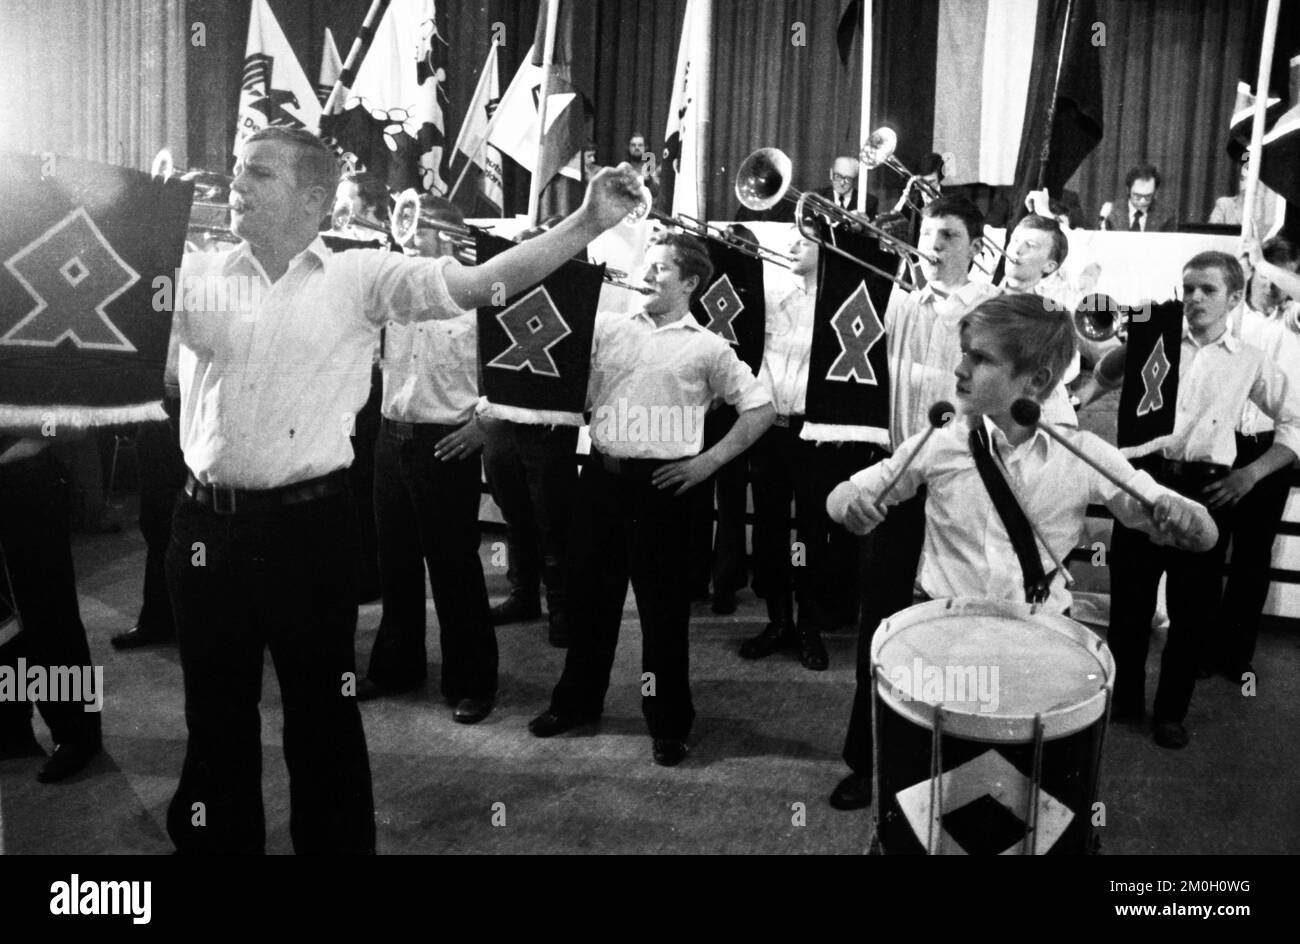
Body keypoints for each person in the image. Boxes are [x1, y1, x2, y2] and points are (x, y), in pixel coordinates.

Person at [163, 126, 640, 853]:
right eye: (236, 170)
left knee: (323, 716)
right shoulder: (194, 274)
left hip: (308, 531)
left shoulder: (361, 278)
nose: (236, 185)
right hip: (203, 532)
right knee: (215, 715)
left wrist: (589, 221)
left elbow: (486, 286)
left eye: (257, 173)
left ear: (313, 197)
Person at [826, 293, 1217, 801]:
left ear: (1035, 380)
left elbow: (1202, 534)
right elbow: (849, 491)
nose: (959, 367)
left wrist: (1188, 518)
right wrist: (850, 504)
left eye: (980, 358)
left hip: (1037, 647)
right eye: (965, 352)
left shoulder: (1082, 454)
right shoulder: (942, 441)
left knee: (1015, 796)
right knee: (932, 790)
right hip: (943, 638)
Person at [528, 232, 775, 766]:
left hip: (666, 491)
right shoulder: (607, 329)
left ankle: (668, 722)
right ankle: (575, 703)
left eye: (662, 268)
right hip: (601, 479)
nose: (649, 274)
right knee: (591, 601)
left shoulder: (709, 347)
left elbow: (760, 408)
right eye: (648, 263)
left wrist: (708, 461)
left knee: (664, 614)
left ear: (690, 282)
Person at [831, 195, 998, 811]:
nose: (933, 246)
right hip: (900, 482)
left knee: (953, 636)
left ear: (975, 247)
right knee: (877, 629)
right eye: (927, 235)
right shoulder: (895, 304)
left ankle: (953, 762)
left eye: (949, 236)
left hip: (962, 490)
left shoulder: (993, 311)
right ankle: (868, 763)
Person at [1108, 252, 1300, 750]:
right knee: (1129, 603)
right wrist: (1131, 338)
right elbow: (1106, 376)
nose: (1193, 297)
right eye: (1188, 287)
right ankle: (1124, 700)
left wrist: (1251, 475)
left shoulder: (1251, 361)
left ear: (1235, 299)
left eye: (1207, 290)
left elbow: (1296, 423)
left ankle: (1171, 712)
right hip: (1144, 480)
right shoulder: (1158, 336)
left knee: (1192, 611)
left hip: (1205, 489)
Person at [355, 195, 497, 724]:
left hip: (446, 444)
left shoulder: (477, 296)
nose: (409, 236)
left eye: (420, 228)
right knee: (395, 562)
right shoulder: (395, 294)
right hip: (392, 440)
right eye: (407, 225)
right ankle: (396, 667)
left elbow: (506, 372)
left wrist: (482, 425)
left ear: (445, 235)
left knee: (454, 566)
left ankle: (473, 681)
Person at [740, 234, 875, 669]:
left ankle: (809, 626)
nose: (793, 248)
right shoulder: (773, 297)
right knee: (769, 529)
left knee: (813, 535)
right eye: (792, 242)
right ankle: (777, 620)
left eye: (805, 243)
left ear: (828, 251)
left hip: (812, 434)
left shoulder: (844, 304)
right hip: (768, 429)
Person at [1213, 257, 1300, 683]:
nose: (1276, 285)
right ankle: (1200, 651)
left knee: (1253, 557)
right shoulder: (1231, 317)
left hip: (1272, 450)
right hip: (1221, 443)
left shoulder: (1293, 320)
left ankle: (1235, 654)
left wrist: (1264, 261)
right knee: (1209, 552)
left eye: (1285, 276)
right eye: (1268, 275)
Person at [0, 436, 103, 782]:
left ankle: (78, 735)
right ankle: (12, 728)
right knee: (4, 621)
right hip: (21, 468)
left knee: (50, 616)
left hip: (25, 473)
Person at [1208, 156, 1278, 235]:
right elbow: (1212, 235)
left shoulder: (1271, 212)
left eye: (1253, 181)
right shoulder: (1225, 204)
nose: (1245, 184)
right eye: (1243, 178)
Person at [1100, 164, 1175, 232]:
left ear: (1155, 192)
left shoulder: (1166, 216)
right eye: (1137, 196)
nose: (1142, 201)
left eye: (1148, 196)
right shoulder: (1111, 212)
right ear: (1128, 190)